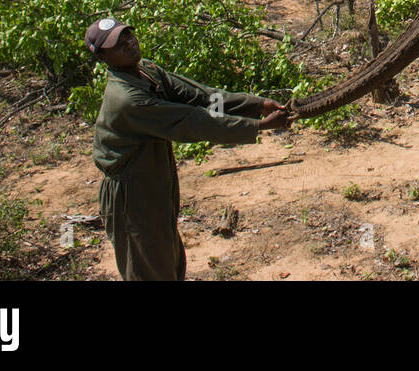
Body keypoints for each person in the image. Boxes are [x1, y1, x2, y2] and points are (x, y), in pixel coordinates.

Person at [86, 16, 292, 280]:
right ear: (103, 58)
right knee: (149, 270)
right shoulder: (127, 100)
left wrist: (255, 105)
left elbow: (201, 98)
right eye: (118, 44)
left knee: (169, 260)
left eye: (128, 35)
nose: (129, 43)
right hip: (130, 194)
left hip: (152, 179)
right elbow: (194, 122)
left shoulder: (146, 70)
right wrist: (258, 126)